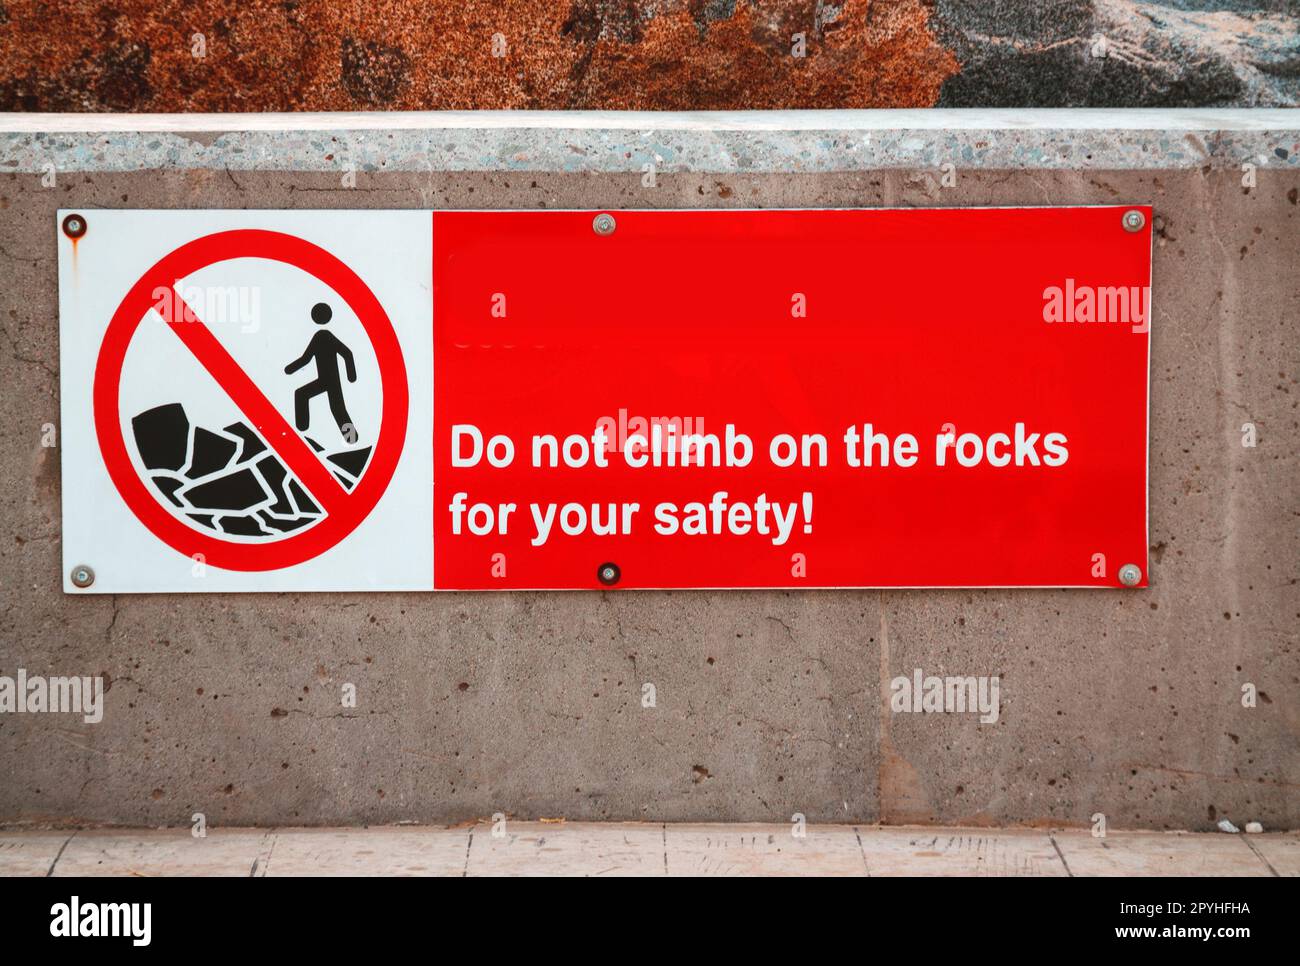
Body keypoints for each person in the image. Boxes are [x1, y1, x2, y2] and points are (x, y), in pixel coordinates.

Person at [284, 302, 357, 441]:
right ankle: (351, 438)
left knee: (303, 395)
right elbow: (347, 353)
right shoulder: (325, 336)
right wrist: (351, 376)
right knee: (337, 408)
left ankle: (303, 427)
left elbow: (305, 359)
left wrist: (290, 369)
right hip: (330, 380)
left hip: (327, 380)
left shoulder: (321, 337)